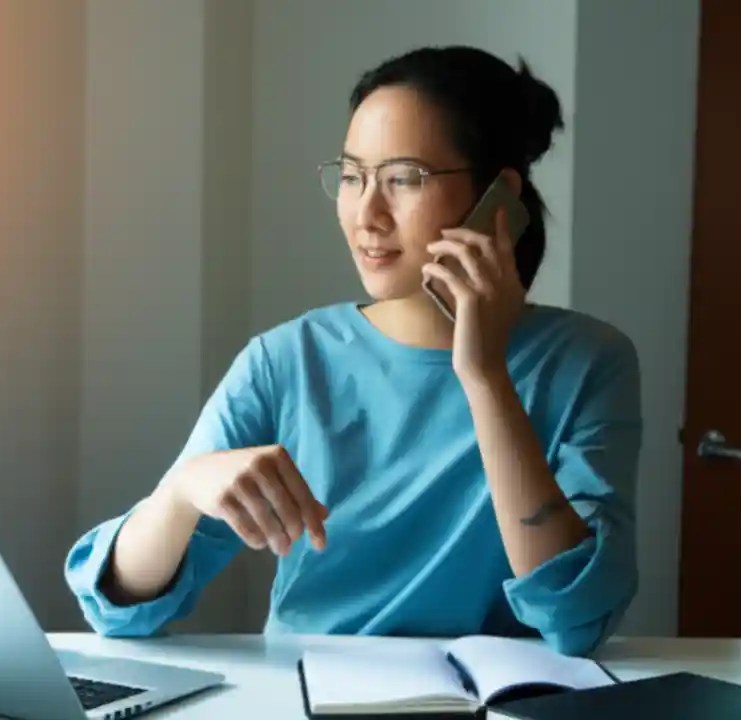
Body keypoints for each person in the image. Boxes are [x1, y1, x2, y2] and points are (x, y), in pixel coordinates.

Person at [63, 45, 640, 657]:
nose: (367, 213)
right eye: (351, 176)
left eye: (402, 179)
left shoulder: (588, 361)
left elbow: (577, 617)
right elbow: (118, 609)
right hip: (307, 697)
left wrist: (483, 375)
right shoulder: (287, 362)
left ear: (498, 196)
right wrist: (181, 491)